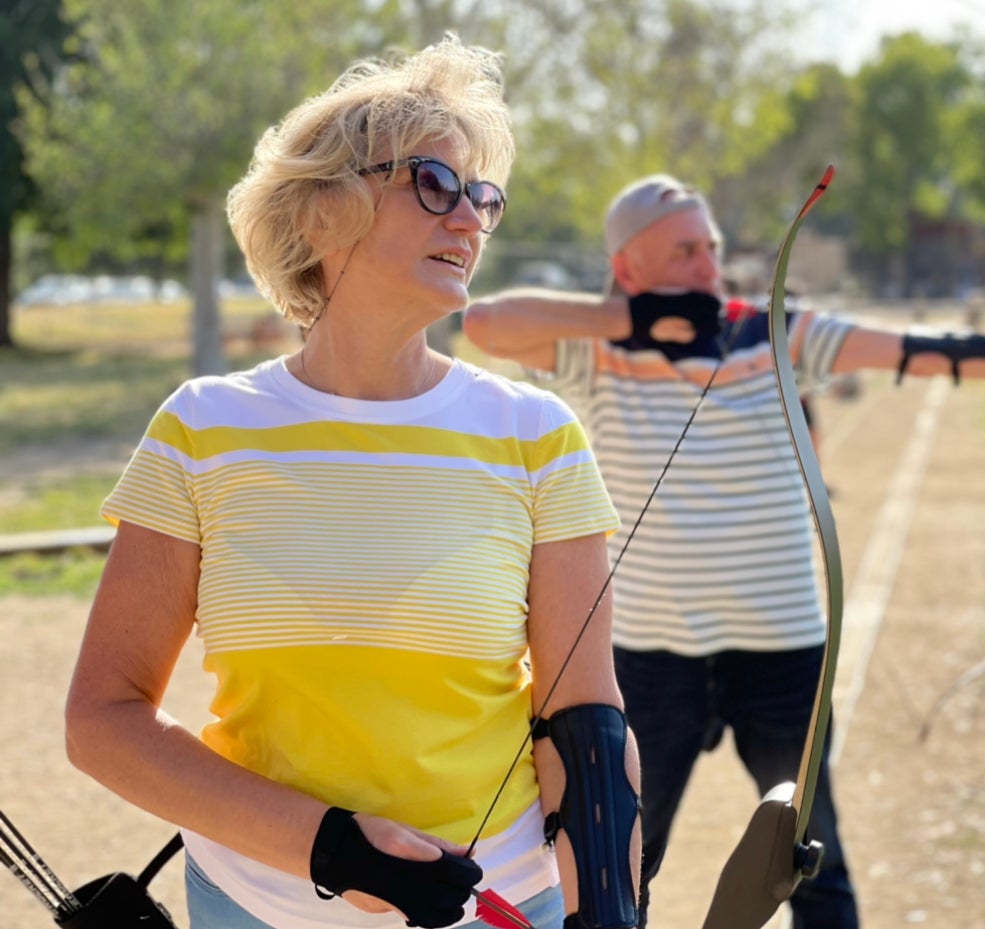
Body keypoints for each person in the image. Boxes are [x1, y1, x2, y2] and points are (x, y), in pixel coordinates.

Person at [64, 36, 641, 929]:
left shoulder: (538, 435)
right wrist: (326, 845)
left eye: (481, 197)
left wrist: (607, 905)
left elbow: (584, 715)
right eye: (435, 185)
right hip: (253, 903)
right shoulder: (201, 427)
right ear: (319, 213)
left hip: (499, 899)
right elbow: (104, 717)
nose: (470, 220)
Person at [462, 174, 985, 929]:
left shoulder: (773, 330)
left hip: (781, 652)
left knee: (814, 858)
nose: (708, 266)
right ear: (629, 267)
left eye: (711, 248)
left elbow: (918, 350)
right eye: (684, 251)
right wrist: (641, 318)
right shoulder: (598, 351)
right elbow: (486, 321)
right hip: (652, 658)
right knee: (616, 864)